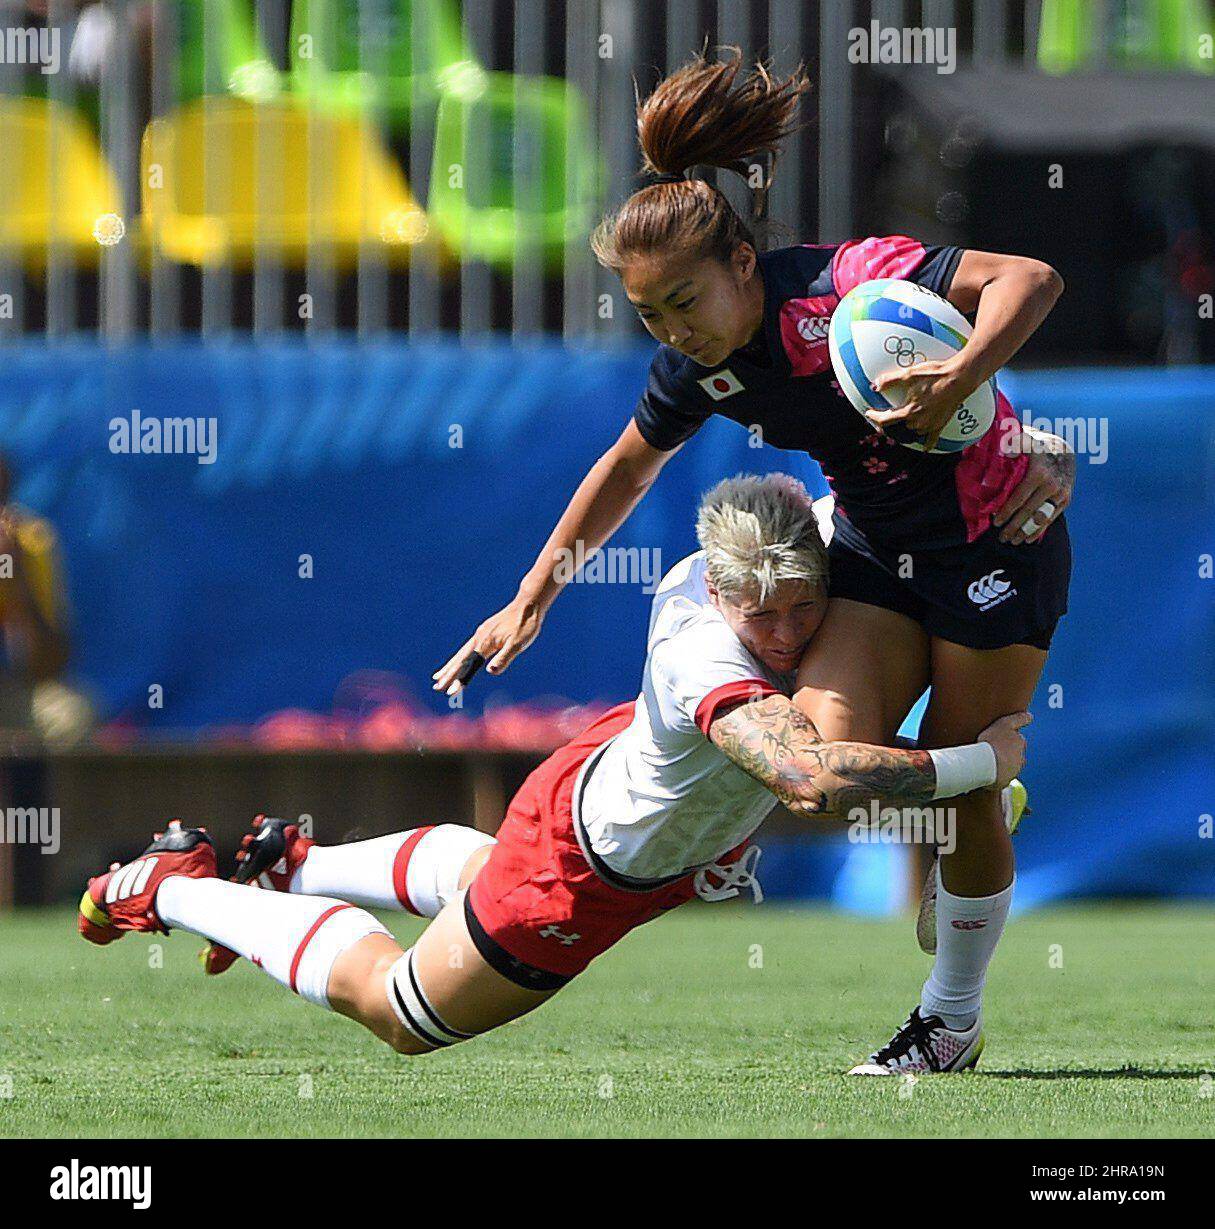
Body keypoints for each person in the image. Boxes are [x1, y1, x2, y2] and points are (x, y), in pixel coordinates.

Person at [431, 50, 1075, 1069]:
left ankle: (949, 1019)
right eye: (650, 314)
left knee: (957, 806)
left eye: (685, 300)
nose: (674, 330)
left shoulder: (849, 288)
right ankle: (982, 780)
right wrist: (531, 594)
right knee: (817, 763)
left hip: (998, 543)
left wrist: (962, 379)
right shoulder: (701, 370)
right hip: (872, 546)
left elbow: (1031, 281)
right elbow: (623, 468)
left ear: (740, 265)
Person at [78, 475, 1029, 1074]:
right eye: (762, 614)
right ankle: (175, 889)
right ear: (717, 587)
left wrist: (1032, 472)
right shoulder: (703, 646)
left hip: (612, 783)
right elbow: (808, 781)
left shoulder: (794, 540)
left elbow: (897, 487)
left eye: (803, 607)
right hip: (581, 867)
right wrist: (983, 764)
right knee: (404, 1010)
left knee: (473, 877)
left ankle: (299, 864)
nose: (787, 633)